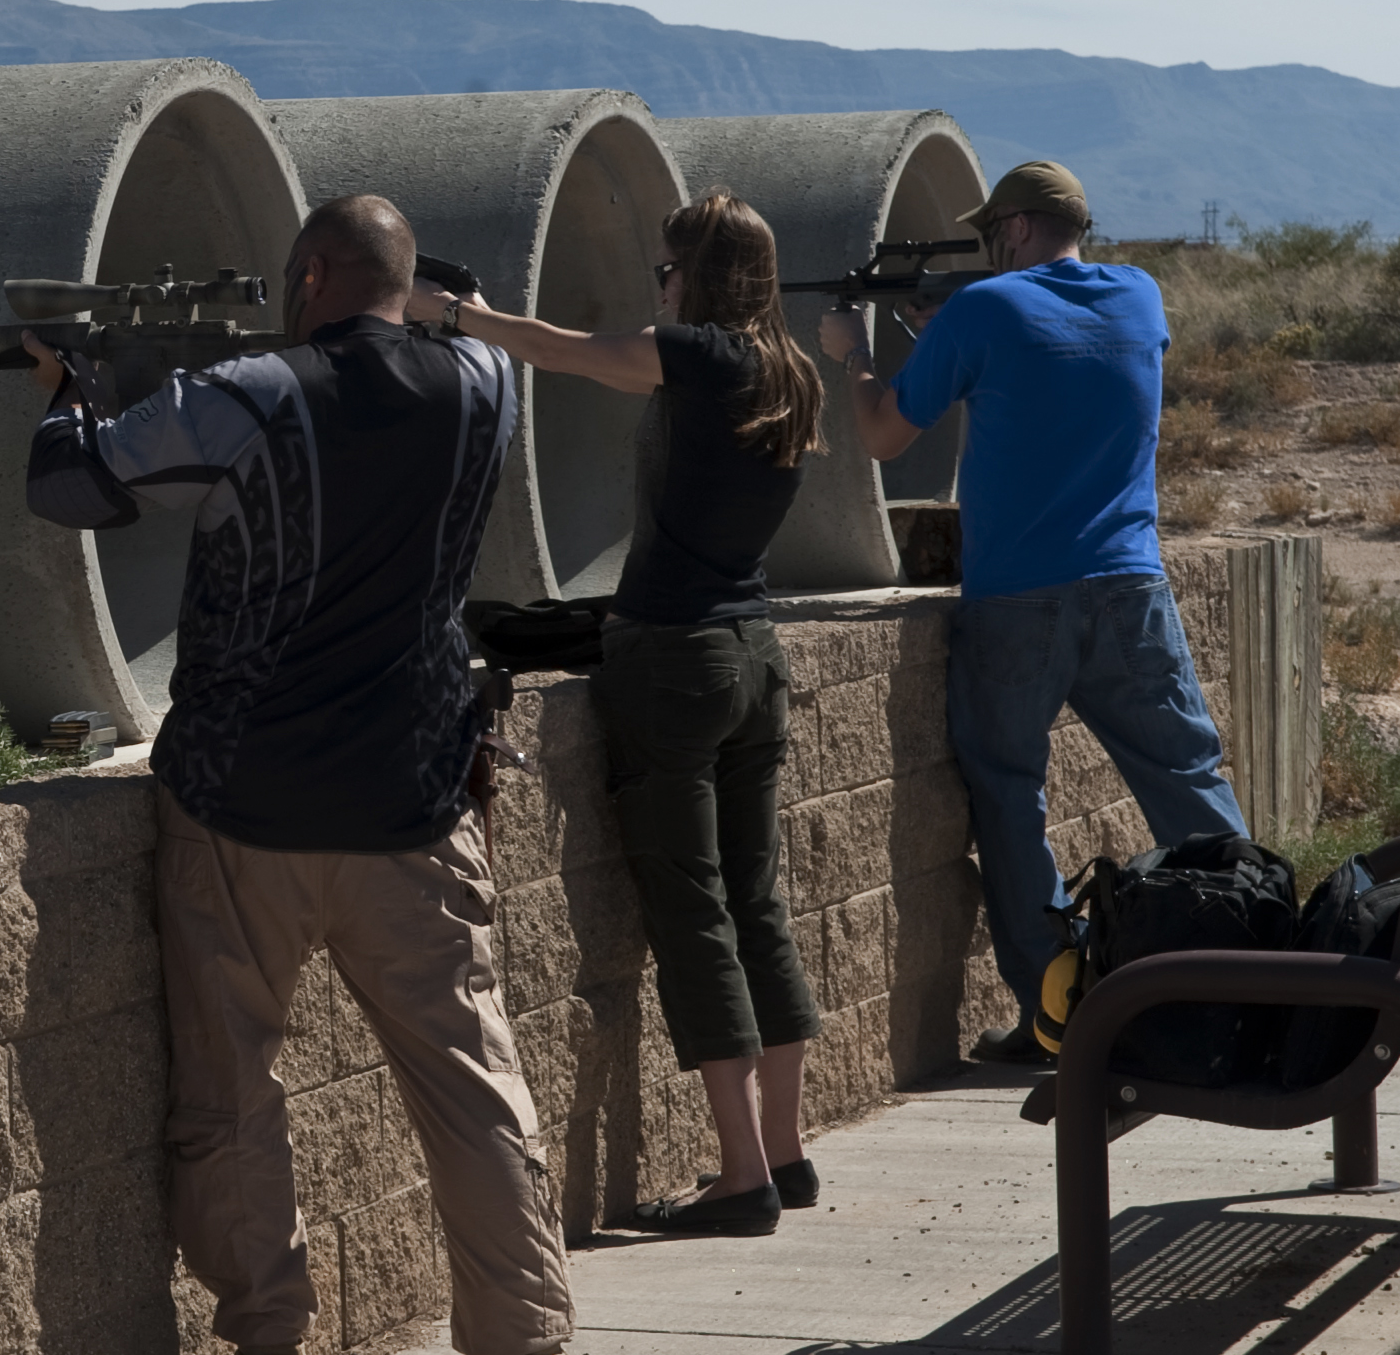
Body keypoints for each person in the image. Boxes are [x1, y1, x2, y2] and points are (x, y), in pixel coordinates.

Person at [21, 195, 611, 1355]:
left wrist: (71, 389)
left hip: (242, 804)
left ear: (311, 275)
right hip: (415, 799)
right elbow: (422, 362)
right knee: (472, 1083)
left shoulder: (243, 394)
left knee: (234, 1094)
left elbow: (73, 487)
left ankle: (270, 1352)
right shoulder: (486, 384)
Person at [415, 189, 826, 1238]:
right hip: (752, 652)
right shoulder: (790, 369)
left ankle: (742, 1177)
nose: (661, 288)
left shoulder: (702, 357)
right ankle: (784, 1150)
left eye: (667, 271)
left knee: (693, 914)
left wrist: (456, 317)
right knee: (757, 903)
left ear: (698, 276)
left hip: (676, 659)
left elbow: (565, 352)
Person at [816, 159, 1246, 1068]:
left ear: (1012, 229)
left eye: (989, 236)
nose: (987, 250)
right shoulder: (1139, 296)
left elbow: (885, 433)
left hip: (1015, 598)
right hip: (1130, 587)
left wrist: (856, 355)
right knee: (1186, 780)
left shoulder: (981, 311)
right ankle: (1262, 971)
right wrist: (948, 331)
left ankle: (1055, 1016)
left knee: (1010, 797)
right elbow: (1058, 363)